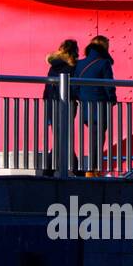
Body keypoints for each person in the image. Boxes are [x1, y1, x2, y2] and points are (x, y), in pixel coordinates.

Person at [73, 38, 116, 176]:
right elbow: (108, 83)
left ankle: (92, 168)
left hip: (85, 106)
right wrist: (112, 99)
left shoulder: (79, 64)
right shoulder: (104, 63)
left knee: (93, 135)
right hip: (100, 105)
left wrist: (81, 98)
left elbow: (75, 86)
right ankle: (92, 169)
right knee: (99, 137)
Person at [42, 40, 79, 176]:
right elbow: (75, 87)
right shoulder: (73, 66)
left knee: (60, 137)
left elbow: (47, 87)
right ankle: (73, 169)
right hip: (67, 104)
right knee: (63, 137)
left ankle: (51, 170)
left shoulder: (54, 65)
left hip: (52, 104)